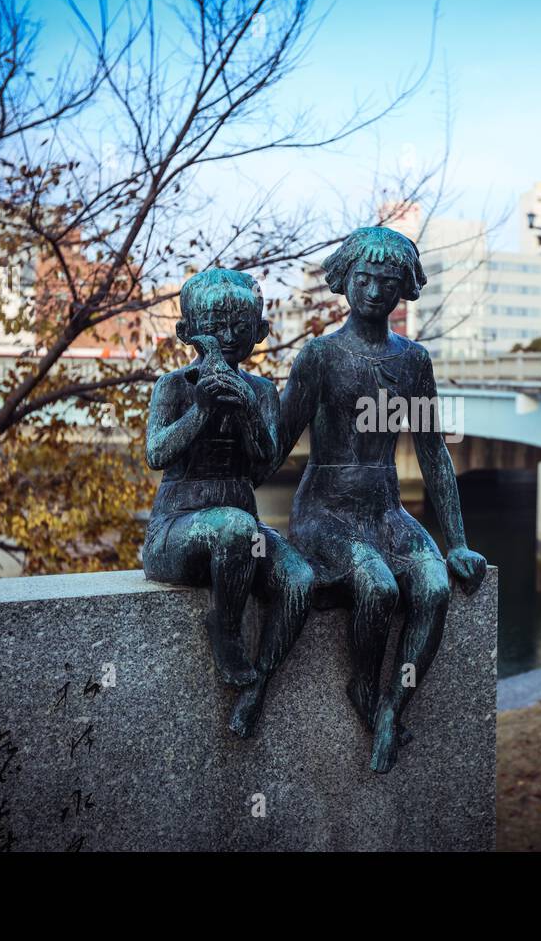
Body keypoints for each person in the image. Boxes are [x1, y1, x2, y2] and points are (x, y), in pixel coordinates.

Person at [276, 227, 486, 773]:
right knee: (376, 584)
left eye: (387, 282)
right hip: (326, 511)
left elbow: (434, 452)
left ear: (404, 289)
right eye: (365, 278)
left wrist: (458, 542)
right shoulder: (319, 356)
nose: (374, 291)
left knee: (436, 586)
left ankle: (394, 705)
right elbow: (276, 443)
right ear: (345, 279)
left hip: (386, 510)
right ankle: (362, 685)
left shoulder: (413, 361)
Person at [143, 268, 313, 738]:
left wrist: (247, 414)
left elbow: (264, 466)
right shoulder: (174, 387)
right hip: (176, 532)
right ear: (187, 333)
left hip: (242, 534)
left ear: (259, 333)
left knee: (299, 580)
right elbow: (157, 454)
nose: (228, 337)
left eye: (241, 327)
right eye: (215, 327)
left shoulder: (260, 392)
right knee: (236, 526)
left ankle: (259, 687)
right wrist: (201, 409)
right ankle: (227, 628)